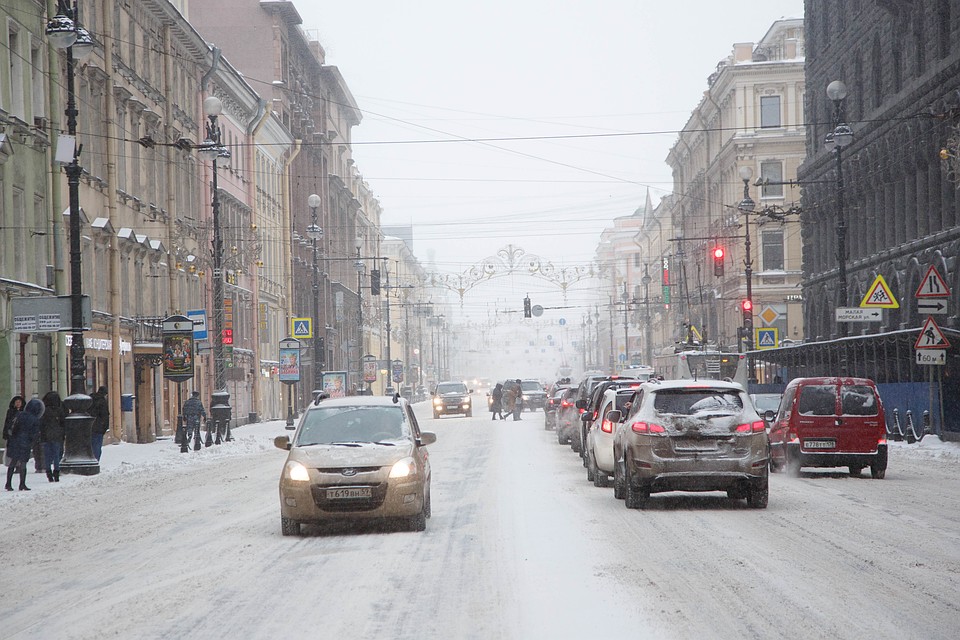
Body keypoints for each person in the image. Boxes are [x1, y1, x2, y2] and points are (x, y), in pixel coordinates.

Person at [5, 398, 45, 491]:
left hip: (15, 441)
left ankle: (8, 484)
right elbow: (34, 434)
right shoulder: (35, 419)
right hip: (25, 442)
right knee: (23, 463)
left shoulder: (19, 414)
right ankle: (22, 484)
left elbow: (12, 427)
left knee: (13, 462)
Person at [39, 391, 66, 482]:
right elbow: (63, 423)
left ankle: (49, 472)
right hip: (57, 436)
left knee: (47, 456)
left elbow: (41, 424)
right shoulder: (59, 410)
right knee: (56, 455)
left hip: (46, 436)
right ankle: (56, 472)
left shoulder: (43, 411)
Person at [3, 395, 25, 467]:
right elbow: (7, 422)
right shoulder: (10, 411)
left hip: (21, 434)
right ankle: (13, 464)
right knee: (12, 450)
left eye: (19, 402)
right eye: (16, 402)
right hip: (12, 434)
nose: (18, 403)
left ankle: (19, 465)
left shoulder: (24, 412)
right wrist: (5, 433)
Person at [90, 386, 110, 461]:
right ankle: (95, 461)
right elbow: (105, 416)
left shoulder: (90, 399)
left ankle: (90, 460)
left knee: (91, 445)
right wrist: (105, 427)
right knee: (97, 447)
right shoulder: (102, 402)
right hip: (99, 428)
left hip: (89, 427)